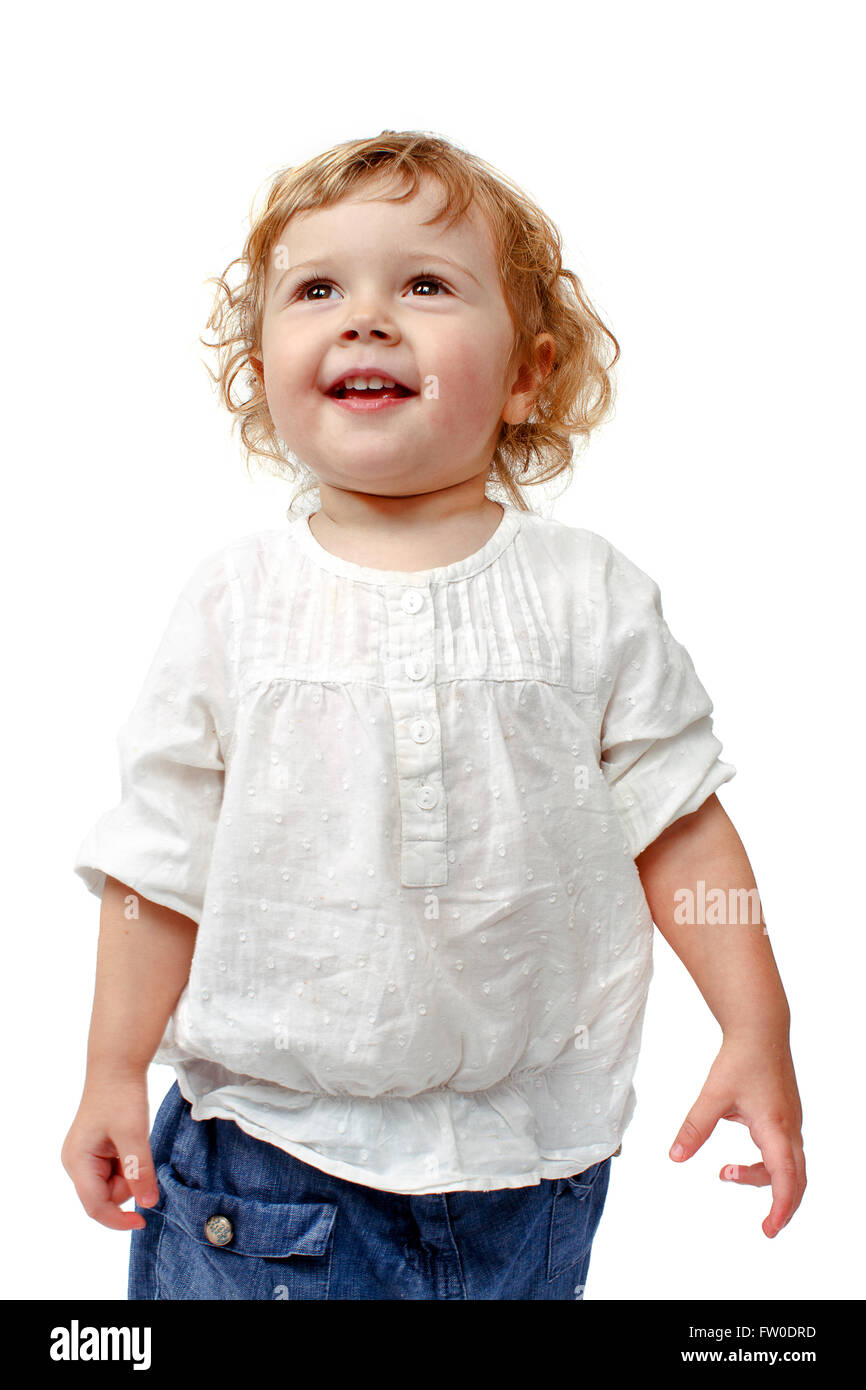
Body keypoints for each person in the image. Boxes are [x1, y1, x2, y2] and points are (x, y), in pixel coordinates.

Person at [61, 129, 805, 1301]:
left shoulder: (587, 594)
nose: (365, 316)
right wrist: (110, 1068)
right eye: (317, 290)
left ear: (524, 375)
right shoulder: (233, 604)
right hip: (263, 1164)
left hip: (533, 1167)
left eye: (423, 284)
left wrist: (755, 1026)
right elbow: (159, 865)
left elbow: (681, 831)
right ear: (261, 368)